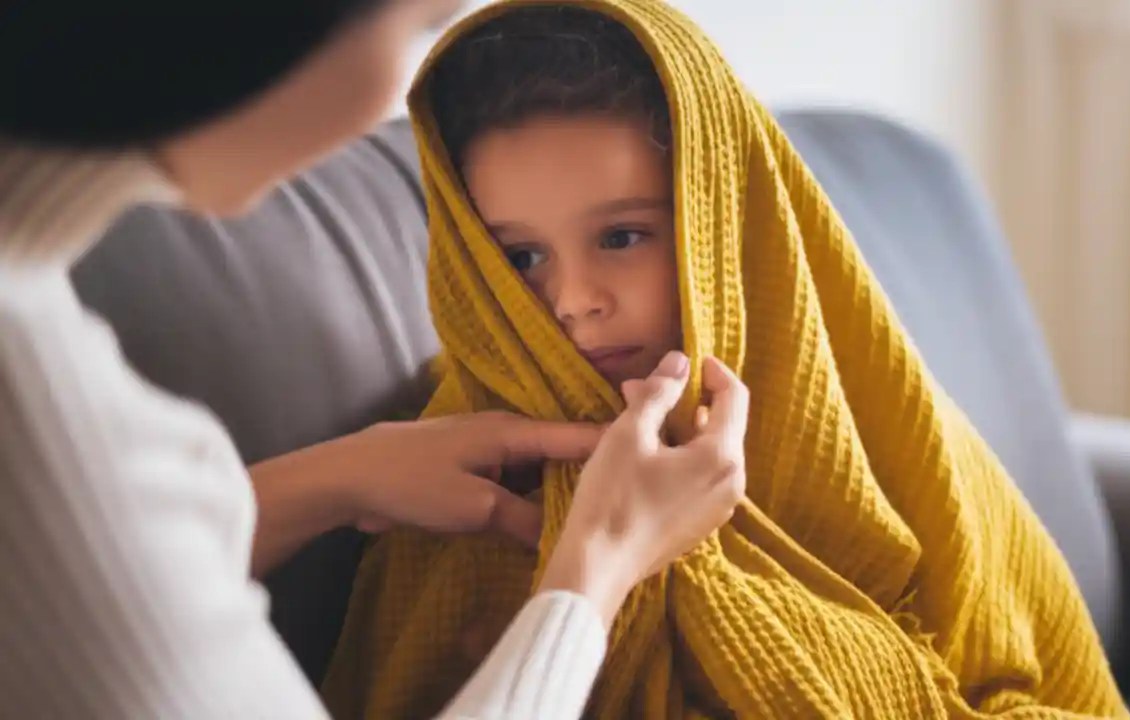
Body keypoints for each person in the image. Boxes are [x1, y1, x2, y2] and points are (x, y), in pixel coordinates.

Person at [323, 2, 1130, 718]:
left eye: (622, 237)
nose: (573, 300)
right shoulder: (466, 485)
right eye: (522, 257)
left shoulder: (889, 415)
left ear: (721, 225)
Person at [0, 2, 746, 718]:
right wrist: (600, 565)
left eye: (621, 237)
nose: (388, 103)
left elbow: (92, 575)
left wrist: (340, 478)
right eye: (420, 23)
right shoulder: (30, 395)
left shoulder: (38, 320)